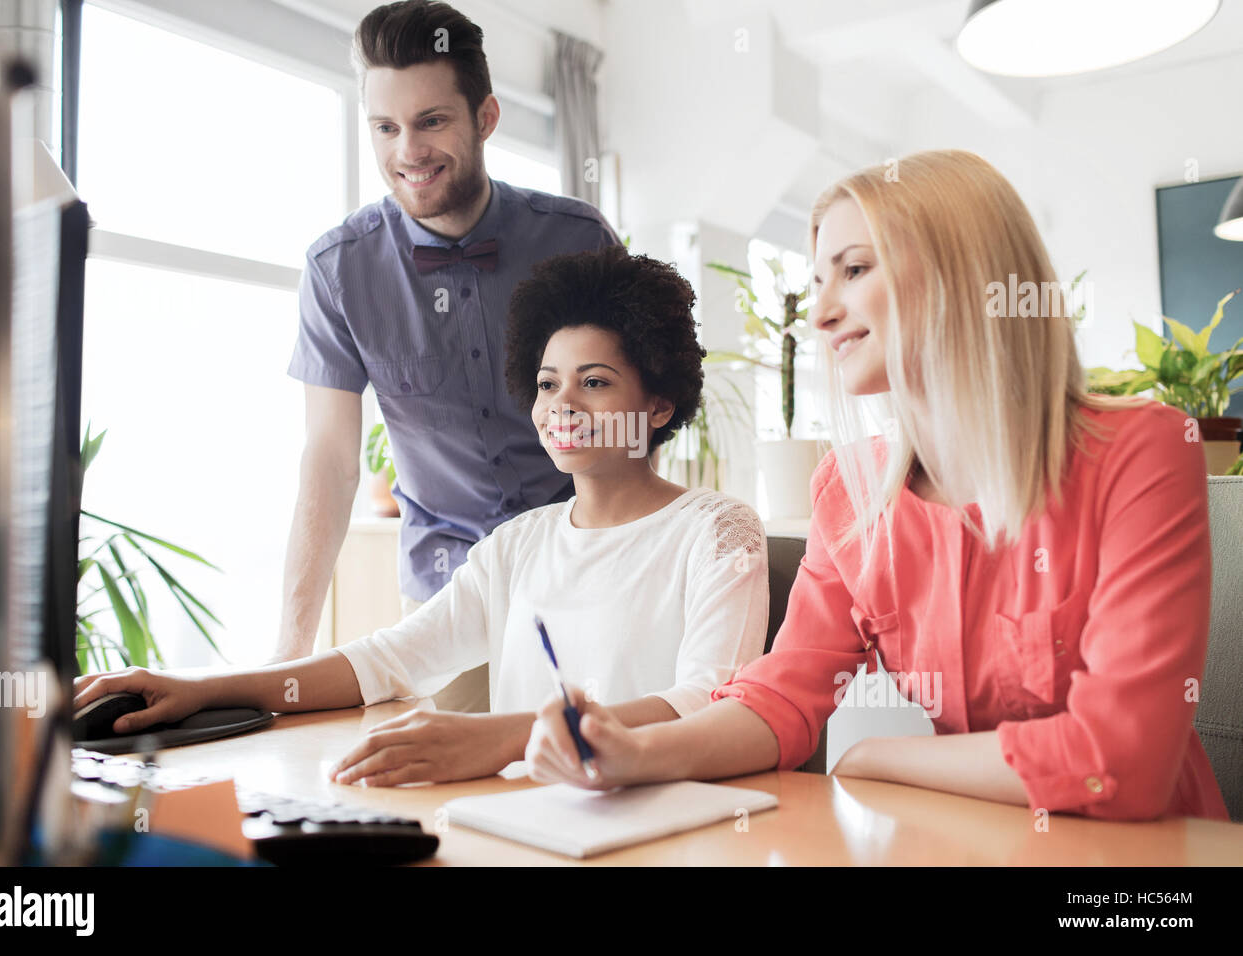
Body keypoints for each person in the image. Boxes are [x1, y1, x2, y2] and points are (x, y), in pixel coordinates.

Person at [525, 149, 1230, 822]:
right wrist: (637, 751)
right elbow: (782, 699)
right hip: (964, 842)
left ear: (964, 271)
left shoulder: (1145, 448)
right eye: (819, 281)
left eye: (854, 269)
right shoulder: (850, 490)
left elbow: (1122, 761)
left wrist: (880, 758)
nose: (821, 312)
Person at [73, 246, 769, 786]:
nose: (562, 406)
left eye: (595, 383)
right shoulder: (517, 545)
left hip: (660, 825)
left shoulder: (718, 532)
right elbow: (391, 659)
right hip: (528, 820)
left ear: (657, 406)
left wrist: (507, 736)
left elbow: (709, 700)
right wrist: (203, 686)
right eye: (548, 383)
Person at [274, 0, 620, 719]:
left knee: (610, 787)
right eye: (386, 127)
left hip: (592, 576)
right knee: (450, 796)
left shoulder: (579, 240)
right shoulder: (339, 270)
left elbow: (635, 416)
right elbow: (331, 459)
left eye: (431, 121)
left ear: (485, 118)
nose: (409, 151)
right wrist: (289, 652)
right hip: (447, 597)